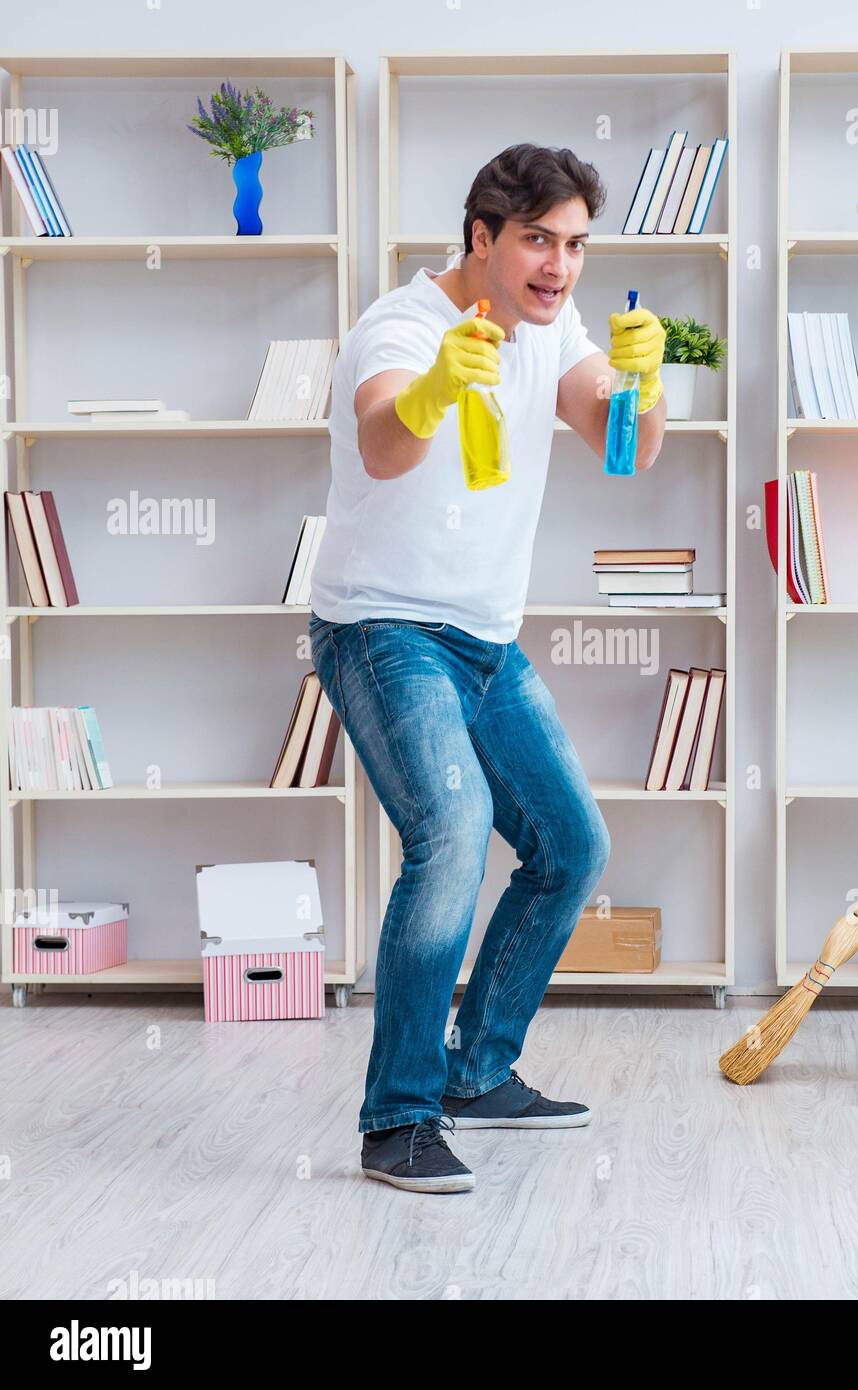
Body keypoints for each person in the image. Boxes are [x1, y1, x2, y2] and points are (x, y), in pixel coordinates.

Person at [307, 144, 668, 1193]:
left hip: (484, 640)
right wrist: (428, 395)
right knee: (453, 833)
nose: (559, 265)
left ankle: (474, 1071)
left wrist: (645, 386)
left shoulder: (556, 331)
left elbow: (623, 448)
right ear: (481, 237)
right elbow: (381, 442)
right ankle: (397, 1120)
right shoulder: (403, 326)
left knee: (571, 845)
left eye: (576, 244)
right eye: (538, 241)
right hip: (382, 629)